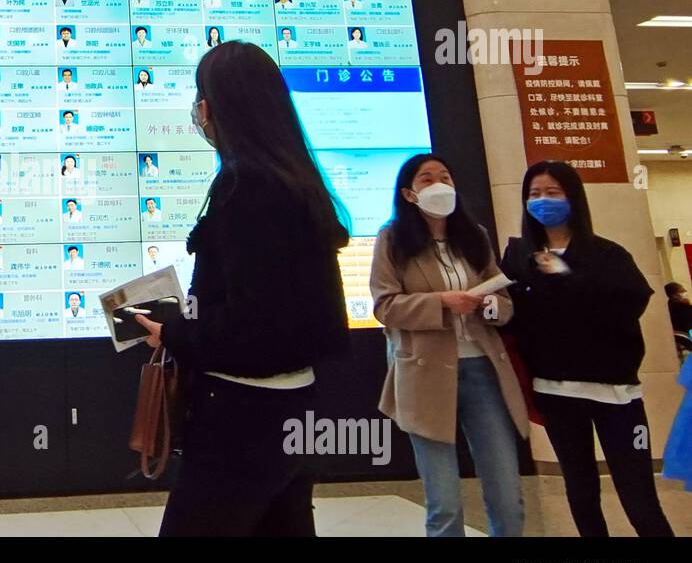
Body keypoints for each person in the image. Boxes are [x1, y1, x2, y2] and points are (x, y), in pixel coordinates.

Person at [132, 42, 353, 537]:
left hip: (241, 418)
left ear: (215, 107)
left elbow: (249, 325)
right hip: (296, 407)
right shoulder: (298, 183)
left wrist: (172, 332)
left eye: (200, 97)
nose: (198, 112)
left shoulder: (245, 187)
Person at [501, 161, 674, 537]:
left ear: (572, 197)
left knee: (638, 495)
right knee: (581, 491)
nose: (542, 201)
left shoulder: (607, 254)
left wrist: (566, 277)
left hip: (616, 394)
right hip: (556, 392)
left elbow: (628, 304)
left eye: (552, 192)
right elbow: (513, 318)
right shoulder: (519, 257)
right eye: (534, 194)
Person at [371, 153, 525, 537]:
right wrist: (442, 302)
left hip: (483, 369)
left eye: (445, 176)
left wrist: (491, 305)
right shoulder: (393, 239)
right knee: (444, 501)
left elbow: (503, 300)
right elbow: (385, 306)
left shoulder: (474, 236)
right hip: (424, 373)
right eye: (427, 179)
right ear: (409, 193)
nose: (439, 184)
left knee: (507, 492)